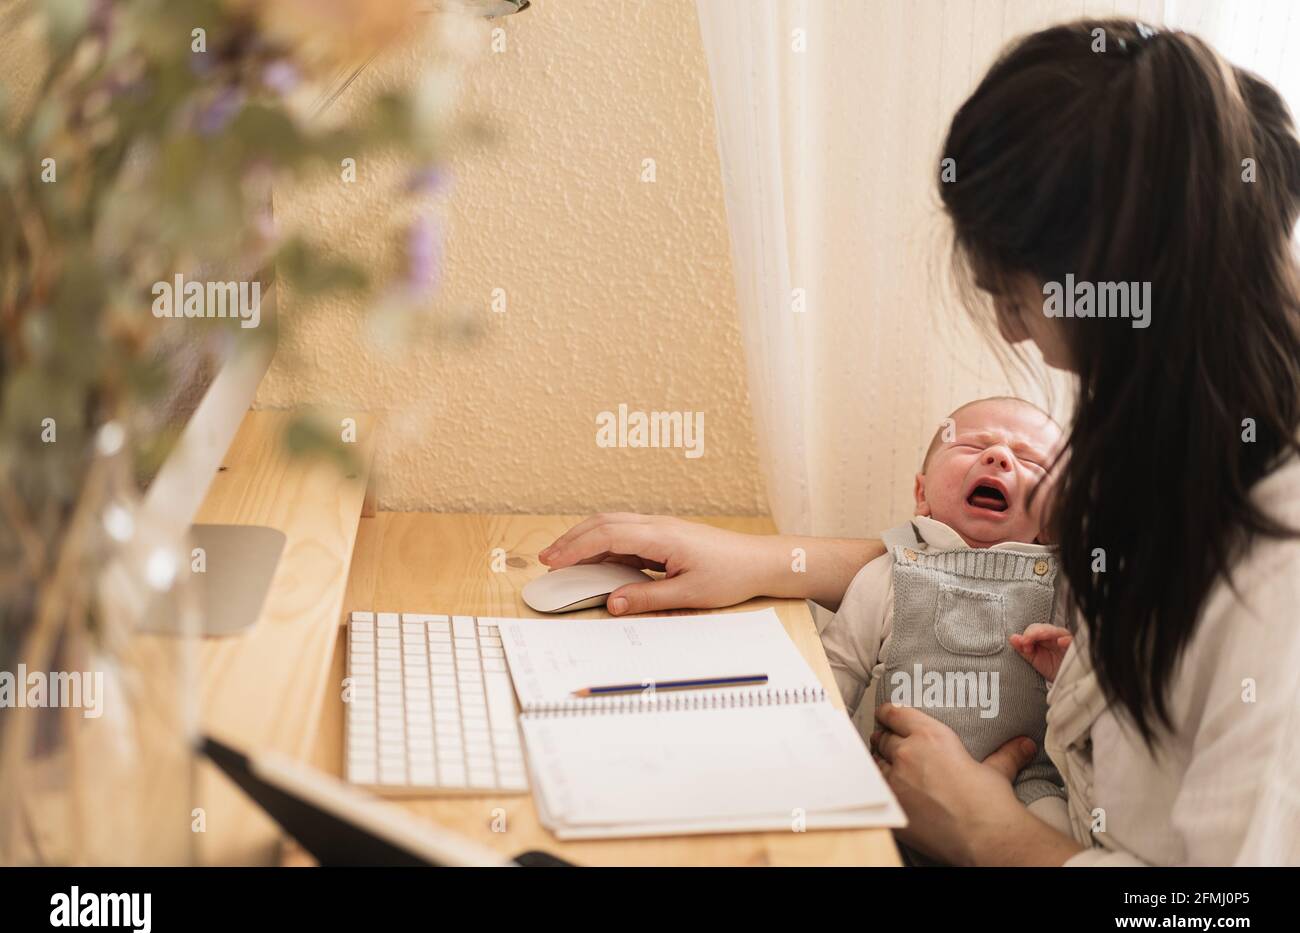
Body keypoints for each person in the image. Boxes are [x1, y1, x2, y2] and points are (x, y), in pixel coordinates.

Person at [539, 19, 1300, 865]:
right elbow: (980, 568)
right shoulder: (1181, 433)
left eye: (1014, 298)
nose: (1014, 332)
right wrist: (759, 561)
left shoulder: (1279, 575)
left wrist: (990, 832)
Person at [820, 396, 1069, 836]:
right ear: (922, 494)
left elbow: (1093, 708)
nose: (998, 456)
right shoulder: (890, 574)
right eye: (972, 447)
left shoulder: (1066, 595)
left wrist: (1069, 670)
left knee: (1059, 839)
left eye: (1030, 459)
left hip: (1028, 786)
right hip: (901, 777)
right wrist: (828, 767)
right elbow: (836, 672)